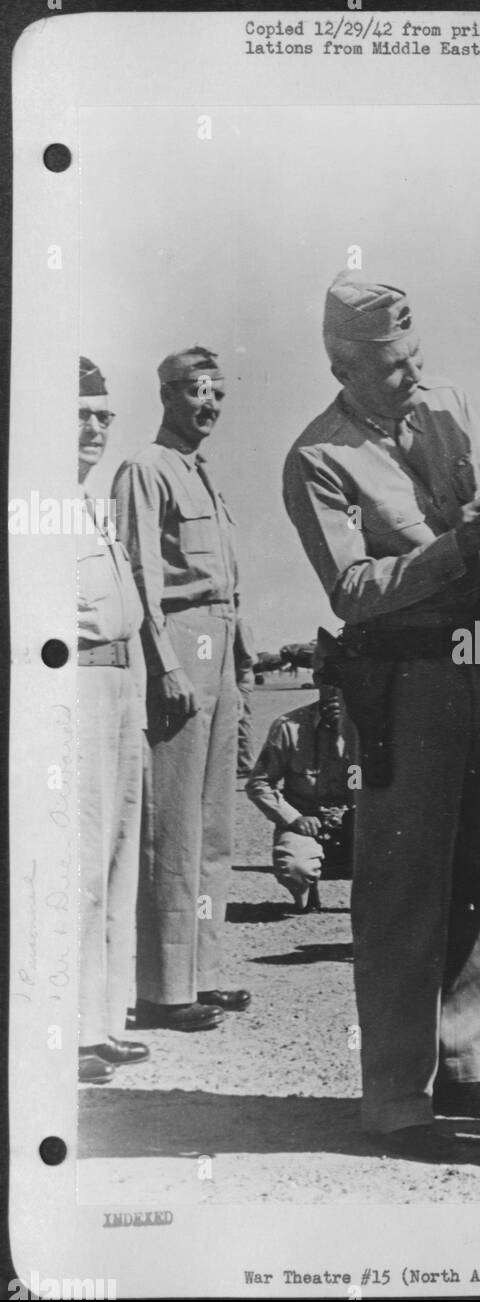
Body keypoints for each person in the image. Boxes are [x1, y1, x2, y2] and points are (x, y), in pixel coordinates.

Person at [283, 272, 480, 1157]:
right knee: (398, 890)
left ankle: (471, 1065)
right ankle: (394, 1097)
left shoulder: (451, 406)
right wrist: (457, 542)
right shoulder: (318, 458)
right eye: (394, 369)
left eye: (418, 359)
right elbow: (352, 591)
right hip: (401, 681)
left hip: (475, 663)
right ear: (343, 366)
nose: (414, 379)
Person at [112, 346, 250, 1030]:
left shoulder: (204, 476)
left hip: (220, 648)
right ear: (167, 394)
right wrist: (163, 662)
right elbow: (139, 570)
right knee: (173, 824)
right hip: (181, 644)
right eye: (198, 392)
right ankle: (163, 989)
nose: (210, 405)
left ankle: (200, 970)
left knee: (214, 825)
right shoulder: (146, 469)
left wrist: (241, 664)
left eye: (218, 394)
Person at [76, 358, 151, 1083]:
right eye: (80, 414)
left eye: (104, 415)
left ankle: (103, 1021)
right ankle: (68, 1030)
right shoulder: (32, 506)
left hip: (120, 688)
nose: (95, 426)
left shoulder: (92, 504)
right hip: (75, 689)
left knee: (118, 857)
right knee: (80, 861)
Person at [246, 641, 356, 910]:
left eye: (345, 679)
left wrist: (349, 733)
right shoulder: (289, 727)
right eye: (329, 680)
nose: (337, 689)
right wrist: (294, 819)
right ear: (317, 680)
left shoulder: (367, 727)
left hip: (357, 821)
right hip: (307, 819)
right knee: (295, 867)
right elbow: (259, 783)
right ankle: (304, 893)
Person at [235, 613, 257, 776]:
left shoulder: (239, 622)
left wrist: (237, 676)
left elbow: (248, 657)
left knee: (242, 720)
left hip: (240, 679)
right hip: (237, 677)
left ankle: (246, 763)